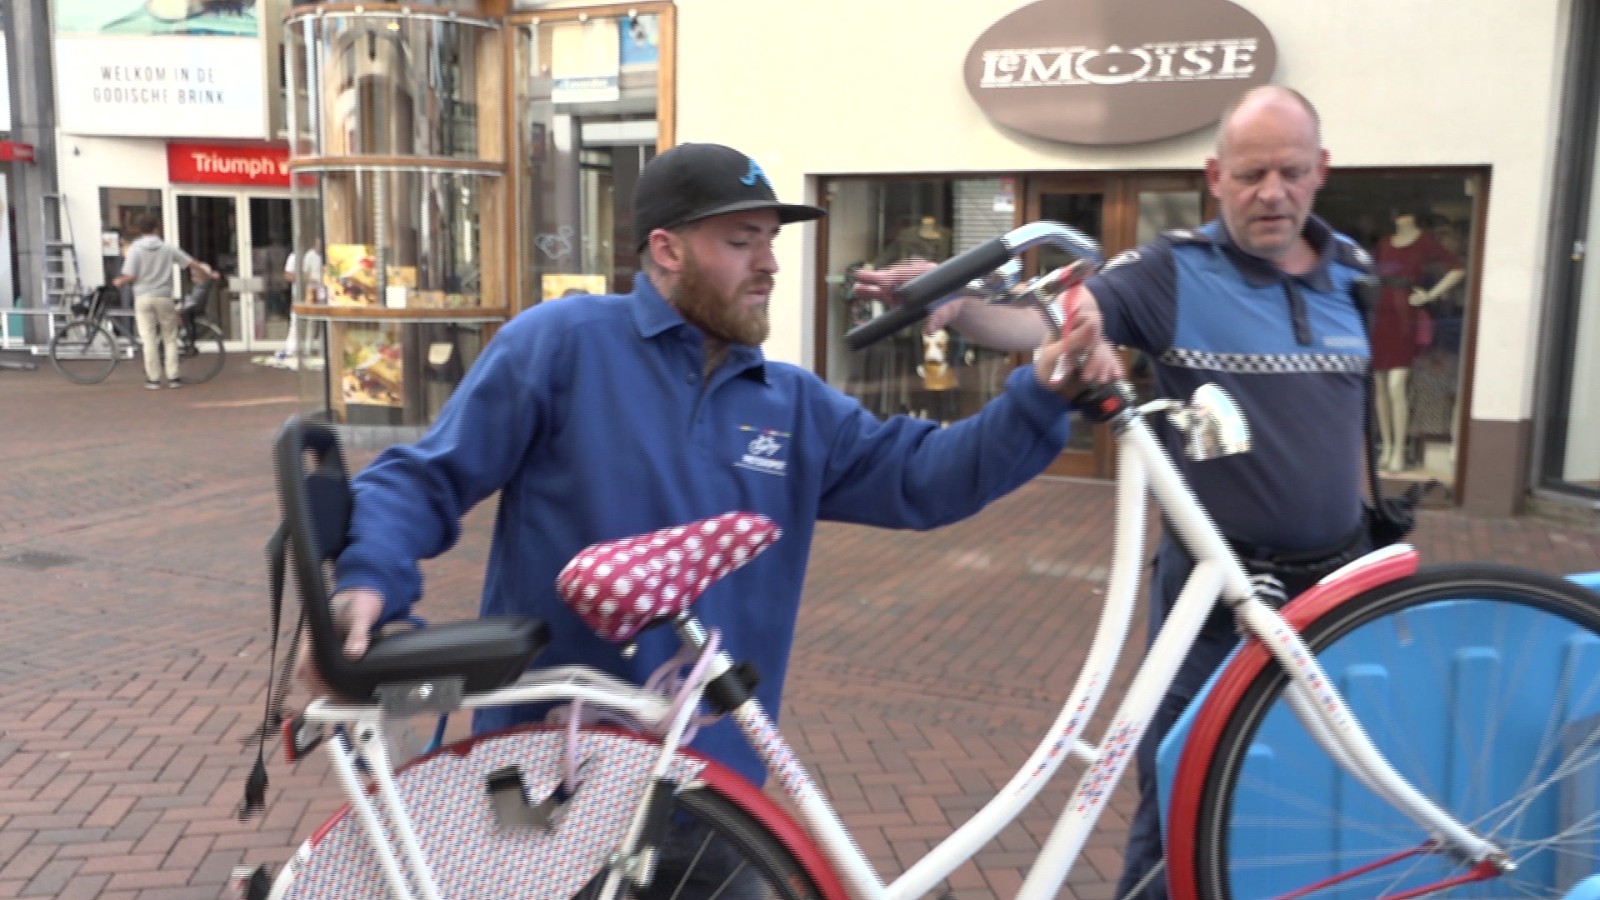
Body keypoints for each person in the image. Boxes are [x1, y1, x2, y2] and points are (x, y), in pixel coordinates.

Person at [297, 142, 1117, 893]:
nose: (768, 265)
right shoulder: (563, 344)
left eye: (771, 242)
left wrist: (1039, 393)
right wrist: (368, 582)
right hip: (551, 774)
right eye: (741, 241)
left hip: (715, 791)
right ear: (667, 249)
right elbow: (426, 476)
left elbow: (927, 479)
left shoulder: (790, 403)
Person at [853, 86, 1375, 899]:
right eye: (1250, 174)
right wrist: (957, 306)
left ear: (1322, 172)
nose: (1271, 191)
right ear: (1215, 176)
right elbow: (1058, 320)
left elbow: (1349, 427)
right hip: (1219, 594)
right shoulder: (1176, 272)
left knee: (1325, 785)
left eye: (1290, 171)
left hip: (1337, 589)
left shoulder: (1353, 272)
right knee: (1181, 780)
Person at [1372, 212, 1464, 472]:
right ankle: (1387, 446)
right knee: (1380, 386)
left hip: (1404, 315)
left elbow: (1457, 269)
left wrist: (1430, 296)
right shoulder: (1383, 243)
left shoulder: (1425, 241)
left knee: (1396, 384)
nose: (1400, 218)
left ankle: (1399, 449)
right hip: (1380, 313)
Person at [113, 212, 213, 390]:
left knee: (148, 338)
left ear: (140, 229)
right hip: (163, 296)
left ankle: (154, 379)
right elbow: (191, 263)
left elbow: (130, 275)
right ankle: (173, 376)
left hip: (143, 297)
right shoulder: (167, 247)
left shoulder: (135, 248)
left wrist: (120, 281)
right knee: (170, 337)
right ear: (156, 228)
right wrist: (207, 275)